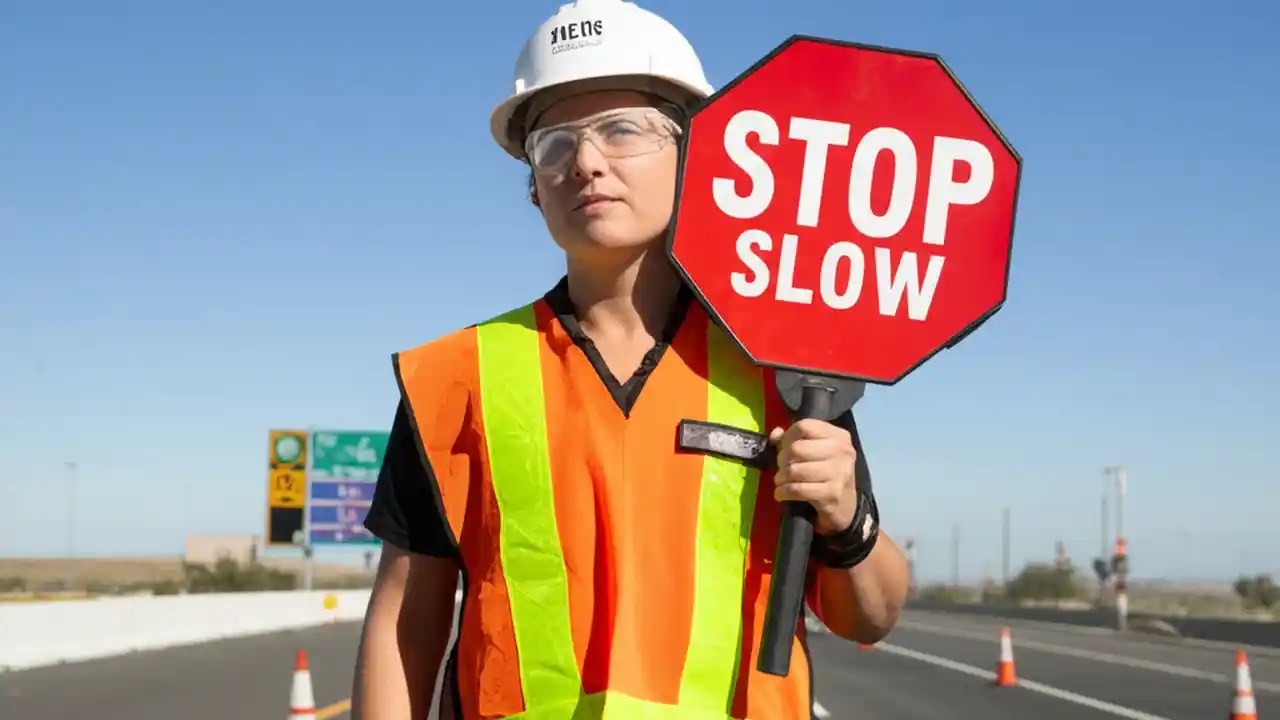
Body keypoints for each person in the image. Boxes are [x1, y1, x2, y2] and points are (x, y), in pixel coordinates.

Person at [351, 0, 910, 717]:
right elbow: (407, 616)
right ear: (532, 186)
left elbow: (870, 617)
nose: (585, 162)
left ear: (695, 152)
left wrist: (848, 516)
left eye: (622, 130)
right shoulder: (454, 378)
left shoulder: (784, 372)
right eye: (553, 144)